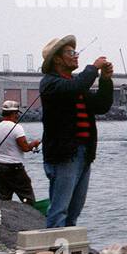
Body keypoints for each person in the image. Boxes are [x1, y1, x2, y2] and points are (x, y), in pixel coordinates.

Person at [38, 35, 113, 228]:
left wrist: (105, 80)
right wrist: (93, 68)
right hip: (64, 154)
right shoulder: (51, 83)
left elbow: (101, 106)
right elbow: (76, 87)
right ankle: (55, 250)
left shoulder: (74, 83)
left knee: (74, 209)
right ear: (57, 59)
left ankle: (67, 250)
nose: (76, 56)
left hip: (84, 153)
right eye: (71, 52)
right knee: (59, 209)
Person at [0, 100, 40, 203]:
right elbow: (25, 148)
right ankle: (32, 217)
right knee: (28, 199)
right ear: (13, 113)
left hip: (0, 167)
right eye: (17, 113)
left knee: (4, 201)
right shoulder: (17, 128)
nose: (17, 116)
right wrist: (34, 143)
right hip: (15, 168)